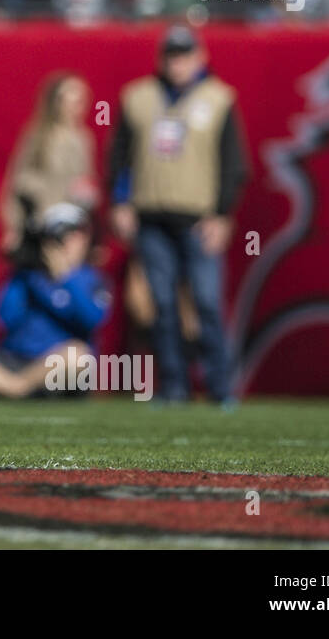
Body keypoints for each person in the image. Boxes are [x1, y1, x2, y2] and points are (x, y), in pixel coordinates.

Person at [107, 25, 248, 402]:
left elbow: (232, 164)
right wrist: (120, 202)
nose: (178, 63)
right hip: (151, 216)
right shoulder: (139, 97)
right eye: (172, 55)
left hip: (199, 218)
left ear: (200, 57)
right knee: (163, 305)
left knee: (205, 302)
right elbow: (120, 155)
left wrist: (222, 214)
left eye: (185, 55)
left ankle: (220, 388)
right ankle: (173, 387)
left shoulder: (219, 99)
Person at [0, 203, 110, 398]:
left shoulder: (90, 278)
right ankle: (13, 388)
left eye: (72, 234)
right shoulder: (28, 276)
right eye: (58, 237)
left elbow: (93, 319)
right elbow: (5, 317)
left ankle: (7, 388)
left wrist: (64, 278)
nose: (66, 242)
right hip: (14, 360)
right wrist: (21, 268)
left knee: (79, 356)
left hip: (54, 367)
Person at [0, 72, 98, 257]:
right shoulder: (39, 136)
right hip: (40, 222)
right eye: (71, 100)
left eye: (81, 100)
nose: (77, 107)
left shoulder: (84, 139)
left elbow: (87, 181)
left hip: (72, 227)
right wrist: (13, 227)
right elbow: (16, 181)